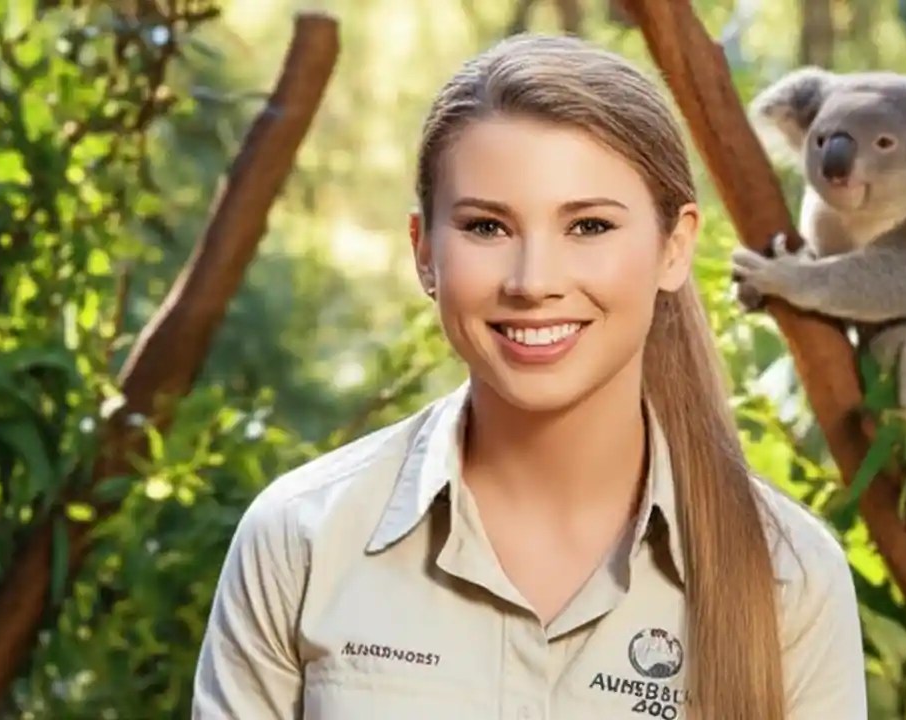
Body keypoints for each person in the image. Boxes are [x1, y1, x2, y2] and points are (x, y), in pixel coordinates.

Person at [192, 33, 867, 720]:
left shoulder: (791, 578)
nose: (533, 281)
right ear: (424, 253)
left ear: (674, 247)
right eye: (487, 227)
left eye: (589, 226)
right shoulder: (302, 538)